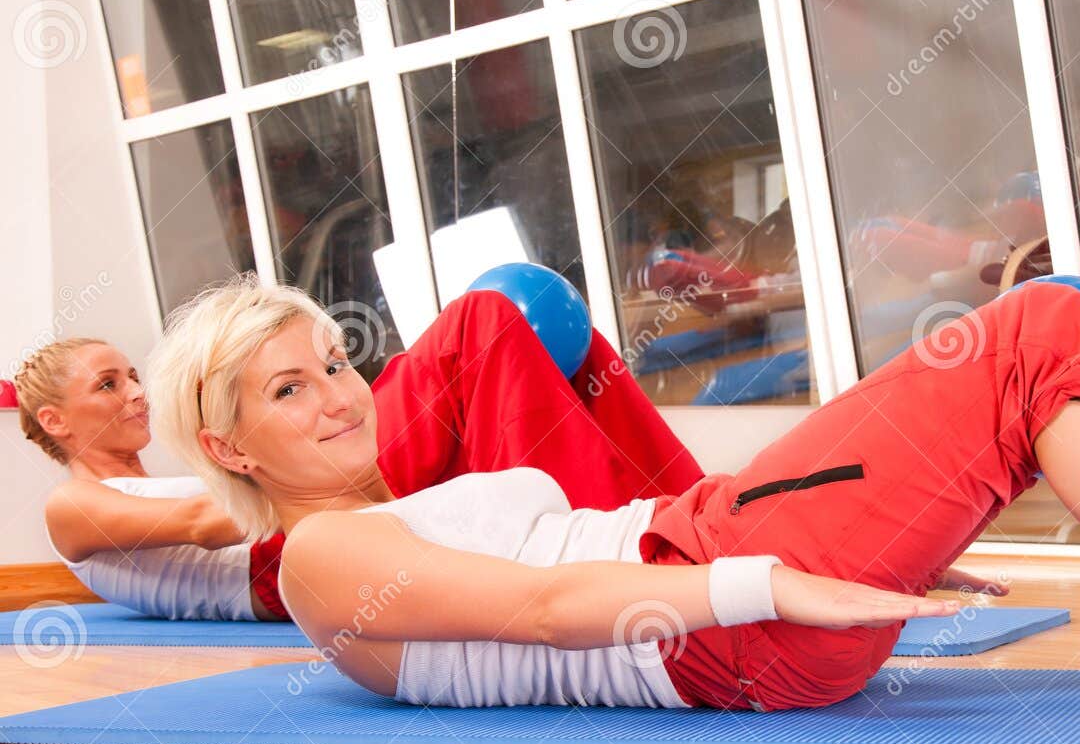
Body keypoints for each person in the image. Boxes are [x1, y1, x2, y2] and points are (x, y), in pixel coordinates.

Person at [147, 274, 1080, 733]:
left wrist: (877, 555)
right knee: (1037, 335)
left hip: (725, 570)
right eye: (287, 390)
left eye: (336, 362)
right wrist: (777, 582)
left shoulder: (394, 506)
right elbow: (559, 605)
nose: (338, 395)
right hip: (722, 607)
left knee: (1030, 367)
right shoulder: (322, 555)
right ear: (227, 443)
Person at [14, 288, 708, 620]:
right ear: (54, 420)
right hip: (295, 544)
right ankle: (630, 556)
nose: (135, 394)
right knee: (482, 324)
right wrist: (282, 454)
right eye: (108, 385)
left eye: (132, 376)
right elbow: (210, 524)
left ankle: (691, 511)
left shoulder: (168, 474)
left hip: (317, 507)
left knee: (557, 351)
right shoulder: (70, 506)